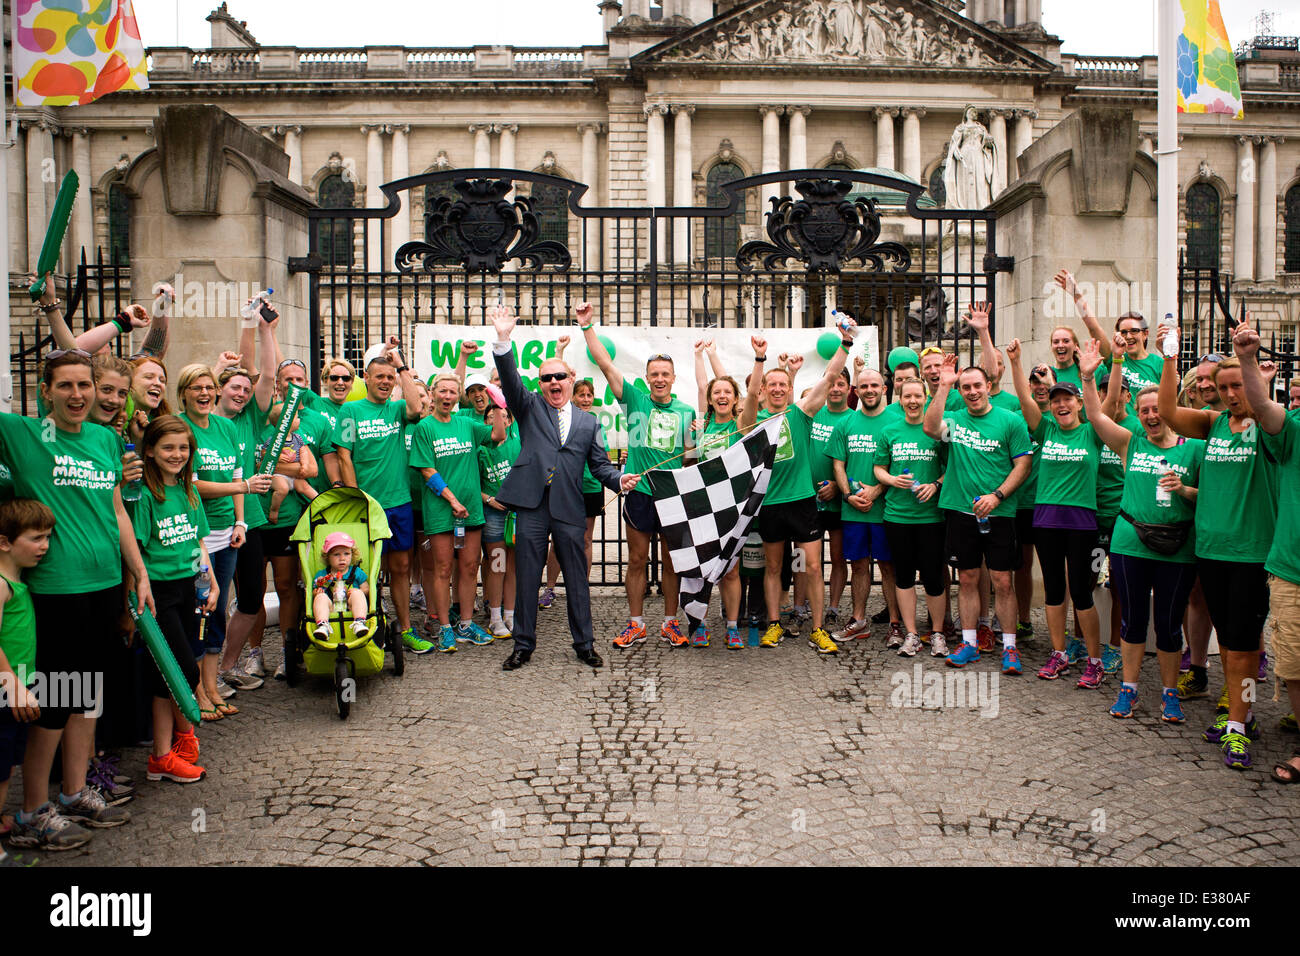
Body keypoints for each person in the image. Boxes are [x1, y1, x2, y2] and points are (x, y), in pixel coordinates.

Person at [3, 351, 150, 850]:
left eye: (85, 384)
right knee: (53, 703)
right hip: (55, 590)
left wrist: (138, 573)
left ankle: (73, 793)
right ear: (45, 391)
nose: (78, 395)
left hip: (104, 584)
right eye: (65, 385)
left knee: (87, 697)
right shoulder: (23, 435)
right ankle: (30, 813)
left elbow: (116, 511)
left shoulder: (105, 439)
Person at [1157, 326, 1278, 771]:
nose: (1230, 394)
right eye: (1224, 387)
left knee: (1245, 647)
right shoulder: (1213, 426)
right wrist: (1170, 357)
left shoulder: (1269, 427)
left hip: (1252, 553)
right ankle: (1239, 714)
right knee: (1229, 644)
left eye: (1237, 385)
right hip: (1211, 550)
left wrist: (1249, 366)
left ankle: (1242, 723)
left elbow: (1266, 409)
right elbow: (1169, 411)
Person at [489, 303, 633, 671]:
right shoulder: (529, 407)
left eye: (560, 377)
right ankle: (523, 645)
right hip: (532, 506)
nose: (554, 382)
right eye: (547, 378)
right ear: (541, 384)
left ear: (571, 379)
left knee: (577, 580)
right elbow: (509, 379)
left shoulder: (588, 422)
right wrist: (504, 340)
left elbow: (599, 465)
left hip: (570, 507)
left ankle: (584, 644)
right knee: (526, 579)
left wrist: (619, 479)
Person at [1080, 353, 1202, 723]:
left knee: (1167, 623)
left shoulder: (1194, 447)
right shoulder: (1131, 443)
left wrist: (1184, 490)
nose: (1151, 416)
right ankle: (1128, 690)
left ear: (1170, 409)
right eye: (1144, 410)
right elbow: (1096, 417)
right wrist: (1088, 379)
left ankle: (1169, 694)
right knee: (1133, 620)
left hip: (1177, 546)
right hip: (1130, 542)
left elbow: (1212, 495)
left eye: (1157, 409)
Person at [739, 318, 857, 655]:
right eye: (770, 385)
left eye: (782, 385)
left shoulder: (801, 413)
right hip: (771, 503)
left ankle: (818, 629)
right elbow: (748, 395)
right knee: (774, 567)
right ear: (763, 390)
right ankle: (774, 623)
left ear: (789, 389)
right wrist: (761, 360)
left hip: (803, 501)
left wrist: (845, 346)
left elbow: (830, 378)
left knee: (813, 567)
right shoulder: (753, 419)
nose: (776, 389)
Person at [582, 308, 696, 649]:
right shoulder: (634, 400)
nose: (659, 379)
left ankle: (670, 622)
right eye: (654, 374)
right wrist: (588, 325)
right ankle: (636, 623)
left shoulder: (687, 412)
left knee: (673, 561)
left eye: (665, 374)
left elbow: (690, 459)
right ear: (647, 378)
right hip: (641, 493)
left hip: (672, 495)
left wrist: (696, 441)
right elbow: (605, 364)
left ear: (674, 378)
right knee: (636, 559)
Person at [923, 349, 1031, 674]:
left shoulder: (1010, 420)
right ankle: (969, 642)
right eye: (965, 387)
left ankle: (1010, 647)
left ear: (988, 385)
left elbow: (1023, 464)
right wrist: (944, 385)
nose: (971, 392)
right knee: (967, 578)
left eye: (976, 386)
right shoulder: (955, 421)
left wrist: (997, 496)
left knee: (1003, 581)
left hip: (999, 511)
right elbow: (930, 427)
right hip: (960, 510)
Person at [1007, 339, 1106, 685]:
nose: (1061, 405)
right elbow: (1024, 399)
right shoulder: (1046, 429)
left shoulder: (1092, 432)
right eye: (1056, 400)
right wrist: (1017, 364)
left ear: (1078, 403)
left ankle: (1094, 659)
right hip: (1046, 520)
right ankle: (1059, 653)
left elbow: (1100, 408)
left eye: (1067, 399)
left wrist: (1090, 377)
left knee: (1080, 592)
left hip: (1081, 522)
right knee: (1052, 590)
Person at [1231, 318, 1300, 782]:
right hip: (1291, 569)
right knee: (1293, 664)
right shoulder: (1294, 428)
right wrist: (1249, 358)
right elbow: (1264, 410)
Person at [133, 416, 215, 784]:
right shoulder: (146, 496)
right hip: (158, 593)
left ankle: (164, 755)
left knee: (164, 675)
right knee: (182, 669)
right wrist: (139, 589)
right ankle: (174, 745)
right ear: (149, 451)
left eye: (183, 448)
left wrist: (210, 580)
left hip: (188, 587)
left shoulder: (190, 491)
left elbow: (198, 541)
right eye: (168, 447)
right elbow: (135, 548)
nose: (177, 454)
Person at [176, 363, 260, 717]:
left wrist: (241, 520)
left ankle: (211, 686)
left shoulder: (225, 426)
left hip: (227, 534)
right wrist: (241, 487)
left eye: (208, 387)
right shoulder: (181, 427)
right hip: (197, 537)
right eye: (197, 387)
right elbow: (190, 484)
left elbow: (238, 473)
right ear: (183, 393)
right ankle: (195, 689)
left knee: (219, 611)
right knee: (199, 612)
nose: (205, 394)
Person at [334, 337, 425, 653]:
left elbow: (417, 407)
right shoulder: (350, 411)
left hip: (398, 502)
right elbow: (344, 456)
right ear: (367, 379)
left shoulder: (398, 409)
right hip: (365, 505)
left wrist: (401, 365)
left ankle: (406, 630)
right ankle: (370, 628)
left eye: (390, 377)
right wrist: (356, 498)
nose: (386, 382)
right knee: (366, 572)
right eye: (380, 377)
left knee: (400, 568)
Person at [409, 373, 503, 652]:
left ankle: (465, 624)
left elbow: (498, 435)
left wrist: (497, 405)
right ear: (433, 393)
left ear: (457, 395)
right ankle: (445, 628)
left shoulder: (467, 424)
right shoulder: (425, 428)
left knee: (469, 567)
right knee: (442, 569)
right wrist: (451, 500)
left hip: (471, 510)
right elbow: (427, 470)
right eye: (443, 391)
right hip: (441, 510)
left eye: (452, 392)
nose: (447, 397)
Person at [872, 378, 948, 657]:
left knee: (932, 577)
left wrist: (936, 485)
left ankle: (937, 633)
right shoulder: (889, 431)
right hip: (897, 516)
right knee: (903, 577)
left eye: (918, 396)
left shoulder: (937, 431)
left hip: (931, 517)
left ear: (926, 398)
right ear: (900, 400)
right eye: (908, 397)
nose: (913, 401)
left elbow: (953, 467)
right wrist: (891, 479)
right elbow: (879, 467)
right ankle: (912, 634)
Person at [0, 498, 54, 864]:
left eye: (47, 537)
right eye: (36, 538)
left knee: (9, 763)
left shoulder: (18, 581)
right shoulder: (1, 584)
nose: (44, 546)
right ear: (5, 542)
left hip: (18, 688)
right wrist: (11, 684)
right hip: (6, 690)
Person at [830, 367, 900, 647]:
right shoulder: (846, 423)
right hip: (853, 509)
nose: (869, 390)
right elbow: (838, 464)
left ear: (884, 389)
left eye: (875, 385)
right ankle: (858, 620)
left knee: (888, 566)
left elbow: (899, 462)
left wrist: (878, 489)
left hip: (886, 509)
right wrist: (847, 495)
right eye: (863, 386)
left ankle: (895, 623)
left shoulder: (897, 420)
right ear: (855, 391)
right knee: (858, 565)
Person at [689, 341, 744, 647]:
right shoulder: (703, 423)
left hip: (732, 507)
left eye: (727, 392)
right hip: (702, 506)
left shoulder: (740, 422)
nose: (721, 396)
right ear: (709, 400)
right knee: (702, 570)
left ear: (734, 398)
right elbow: (700, 384)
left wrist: (714, 355)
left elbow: (734, 390)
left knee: (730, 571)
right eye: (716, 393)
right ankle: (698, 625)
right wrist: (699, 355)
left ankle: (733, 626)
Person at [810, 366, 854, 626]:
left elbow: (858, 463)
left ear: (849, 388)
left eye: (842, 384)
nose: (836, 388)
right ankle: (800, 604)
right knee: (804, 558)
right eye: (832, 383)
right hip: (809, 500)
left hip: (839, 501)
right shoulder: (813, 415)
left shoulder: (853, 419)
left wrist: (839, 486)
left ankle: (834, 607)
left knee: (838, 557)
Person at [480, 401, 520, 639]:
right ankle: (495, 618)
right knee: (498, 565)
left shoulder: (517, 444)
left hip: (516, 513)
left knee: (513, 568)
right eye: (491, 417)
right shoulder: (480, 449)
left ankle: (510, 615)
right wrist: (488, 500)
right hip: (493, 513)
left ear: (509, 421)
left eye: (503, 416)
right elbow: (472, 484)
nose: (497, 420)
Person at [257, 401, 318, 523]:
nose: (299, 420)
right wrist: (277, 457)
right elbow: (264, 453)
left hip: (293, 477)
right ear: (285, 423)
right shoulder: (275, 439)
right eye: (296, 418)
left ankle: (320, 503)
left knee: (305, 487)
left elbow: (303, 452)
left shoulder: (297, 437)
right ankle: (274, 511)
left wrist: (305, 464)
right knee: (282, 489)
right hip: (279, 476)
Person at [311, 532, 370, 639]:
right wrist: (317, 592)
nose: (342, 558)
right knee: (320, 598)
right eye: (336, 554)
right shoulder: (323, 574)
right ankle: (323, 625)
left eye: (346, 554)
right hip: (331, 607)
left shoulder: (356, 572)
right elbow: (314, 592)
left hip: (352, 606)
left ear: (352, 555)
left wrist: (358, 591)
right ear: (327, 557)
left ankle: (359, 622)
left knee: (358, 593)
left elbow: (366, 588)